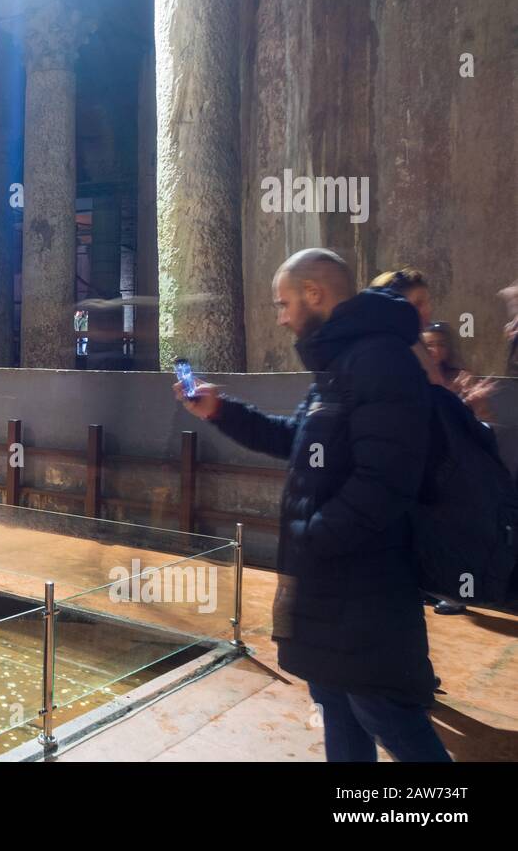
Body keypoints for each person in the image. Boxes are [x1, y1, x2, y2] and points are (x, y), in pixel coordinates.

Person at [174, 248, 449, 762]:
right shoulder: (341, 362)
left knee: (387, 717)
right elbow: (296, 440)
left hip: (366, 592)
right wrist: (220, 411)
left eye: (283, 303)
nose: (279, 317)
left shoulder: (378, 360)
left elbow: (385, 482)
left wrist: (314, 537)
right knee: (340, 713)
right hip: (331, 591)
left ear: (314, 295)